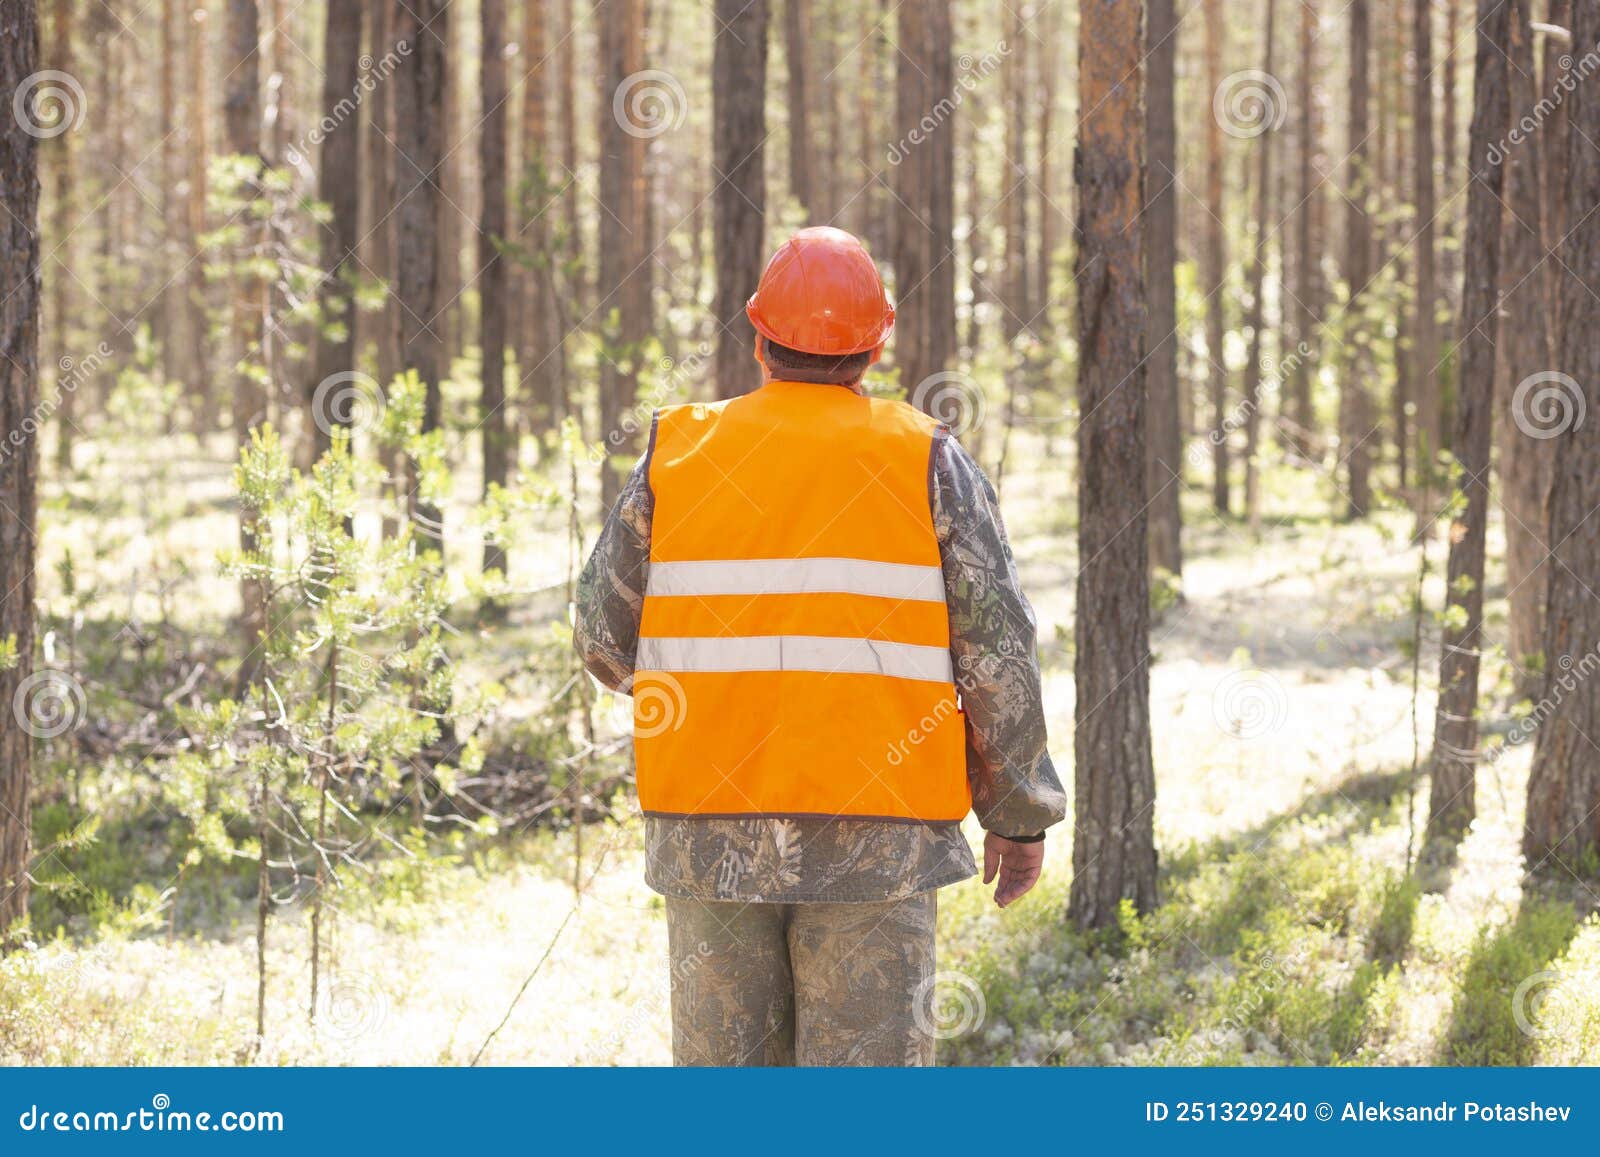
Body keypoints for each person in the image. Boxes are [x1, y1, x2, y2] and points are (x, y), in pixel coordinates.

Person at [575, 226, 1065, 1066]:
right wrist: (1017, 813)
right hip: (880, 840)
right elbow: (997, 648)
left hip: (707, 835)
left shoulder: (679, 450)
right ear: (874, 347)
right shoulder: (926, 458)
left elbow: (600, 636)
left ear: (759, 338)